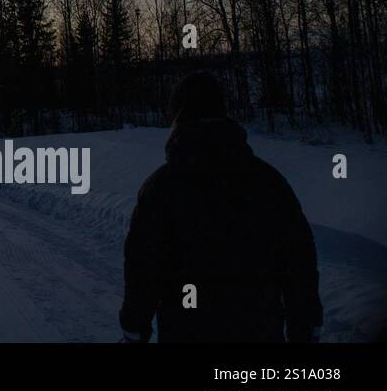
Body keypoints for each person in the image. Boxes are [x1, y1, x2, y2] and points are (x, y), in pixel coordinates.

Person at [119, 71, 322, 342]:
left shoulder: (161, 188)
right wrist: (305, 324)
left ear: (179, 116)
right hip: (259, 331)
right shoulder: (268, 181)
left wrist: (134, 328)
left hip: (187, 331)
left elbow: (144, 266)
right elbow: (299, 258)